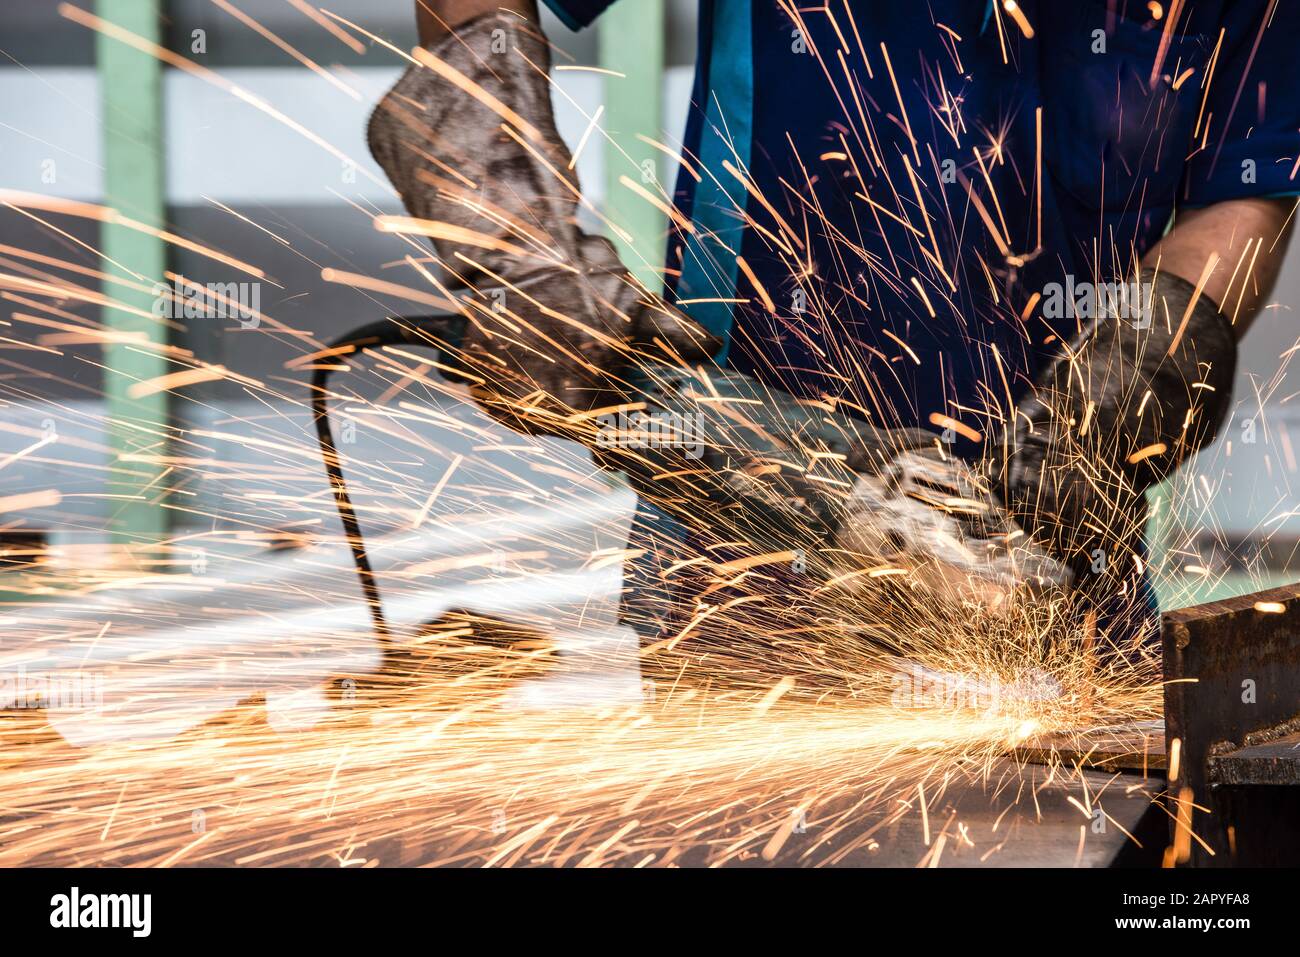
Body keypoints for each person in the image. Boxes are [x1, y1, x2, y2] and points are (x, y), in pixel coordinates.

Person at [367, 1, 1297, 651]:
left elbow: (1243, 194)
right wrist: (512, 231)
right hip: (742, 546)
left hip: (1060, 563)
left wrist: (1134, 379)